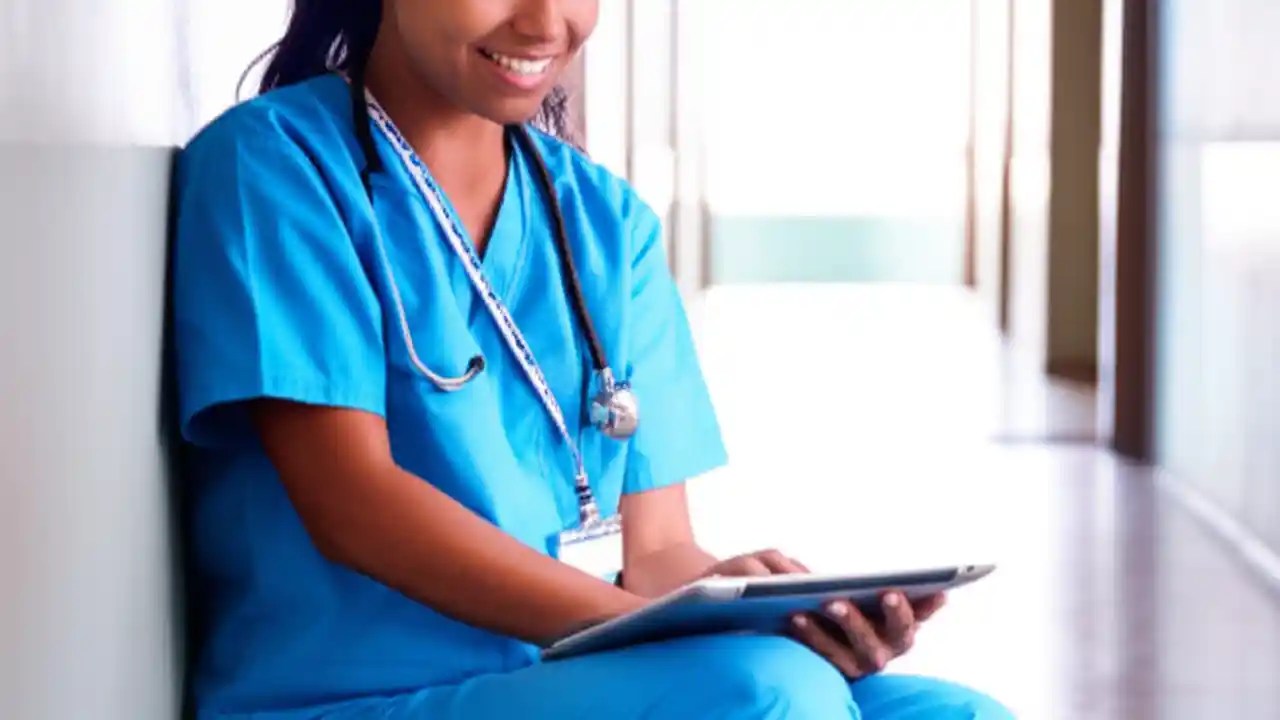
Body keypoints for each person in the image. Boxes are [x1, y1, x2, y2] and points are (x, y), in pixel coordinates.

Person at [172, 1, 1014, 718]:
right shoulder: (276, 164)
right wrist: (667, 634)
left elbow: (656, 553)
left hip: (561, 672)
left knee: (953, 711)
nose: (546, 22)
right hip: (355, 696)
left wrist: (758, 610)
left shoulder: (606, 222)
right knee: (765, 693)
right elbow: (353, 504)